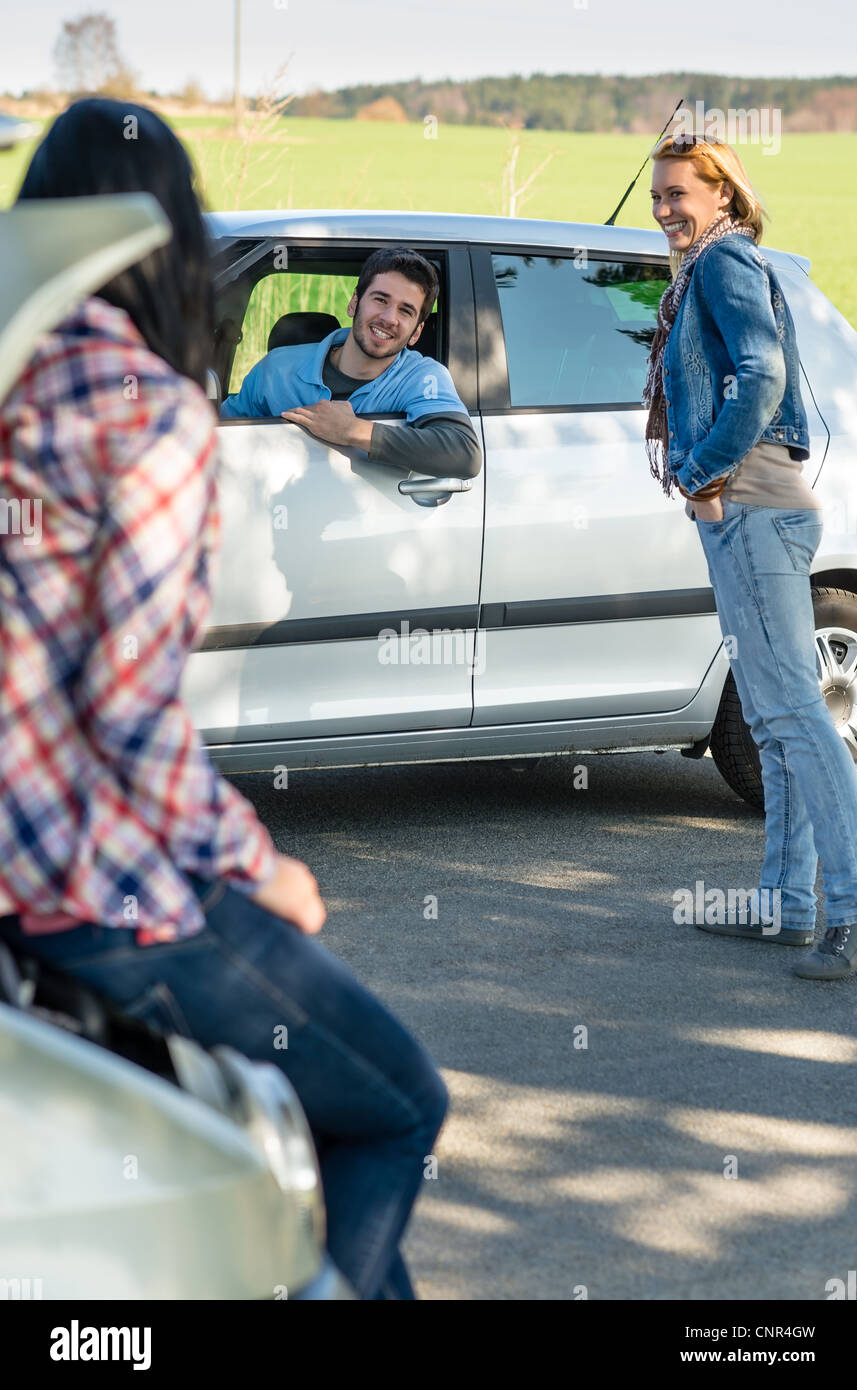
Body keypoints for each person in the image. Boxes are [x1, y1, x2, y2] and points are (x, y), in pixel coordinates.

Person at [0, 97, 447, 1298]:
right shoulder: (150, 408)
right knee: (399, 1103)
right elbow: (131, 713)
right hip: (81, 883)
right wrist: (255, 864)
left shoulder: (10, 372)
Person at [644, 131, 857, 981]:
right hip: (742, 512)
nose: (665, 209)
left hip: (756, 510)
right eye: (657, 196)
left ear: (724, 197)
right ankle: (787, 904)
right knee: (773, 723)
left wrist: (702, 471)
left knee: (798, 722)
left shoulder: (726, 265)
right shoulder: (703, 270)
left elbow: (760, 374)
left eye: (680, 194)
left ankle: (846, 911)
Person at [220, 245, 482, 480]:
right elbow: (217, 434)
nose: (389, 318)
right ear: (354, 303)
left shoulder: (420, 377)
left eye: (406, 311)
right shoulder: (277, 368)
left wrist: (353, 430)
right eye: (380, 300)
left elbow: (464, 452)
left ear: (416, 332)